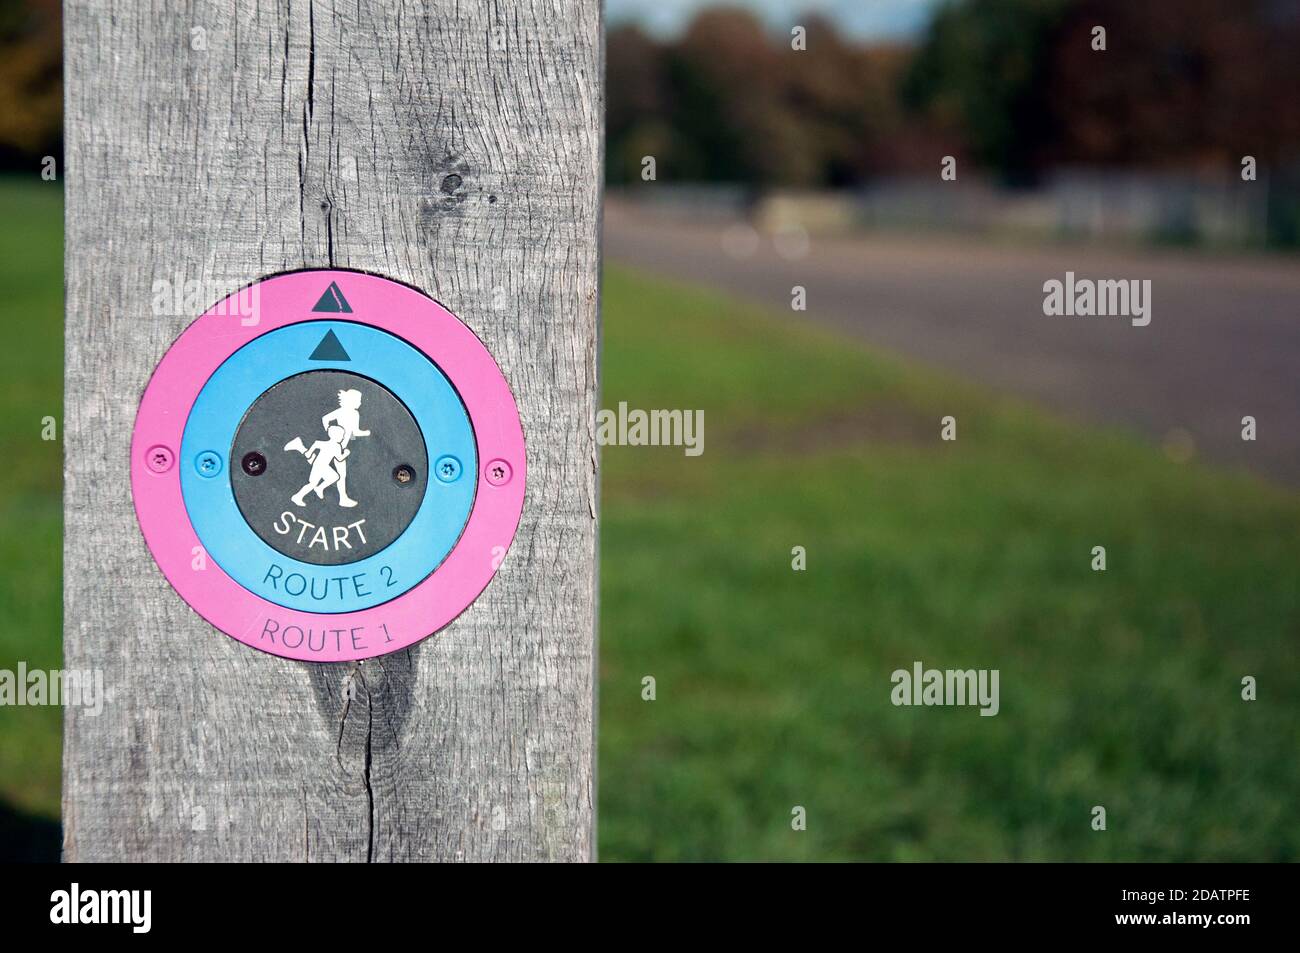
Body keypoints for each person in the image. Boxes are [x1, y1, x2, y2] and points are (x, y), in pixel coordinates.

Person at [321, 389, 370, 507]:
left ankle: (321, 489)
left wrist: (331, 432)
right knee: (340, 474)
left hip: (338, 446)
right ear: (351, 401)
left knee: (324, 468)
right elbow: (356, 432)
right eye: (358, 400)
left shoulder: (350, 413)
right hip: (338, 448)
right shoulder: (348, 413)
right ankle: (342, 498)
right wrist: (367, 433)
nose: (360, 403)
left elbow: (353, 432)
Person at [289, 425, 351, 507]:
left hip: (322, 466)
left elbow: (312, 449)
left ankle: (319, 488)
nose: (342, 438)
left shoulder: (321, 443)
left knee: (334, 477)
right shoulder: (336, 446)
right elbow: (339, 458)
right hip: (320, 467)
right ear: (335, 435)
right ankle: (297, 497)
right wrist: (346, 453)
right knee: (312, 484)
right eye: (341, 435)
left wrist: (309, 451)